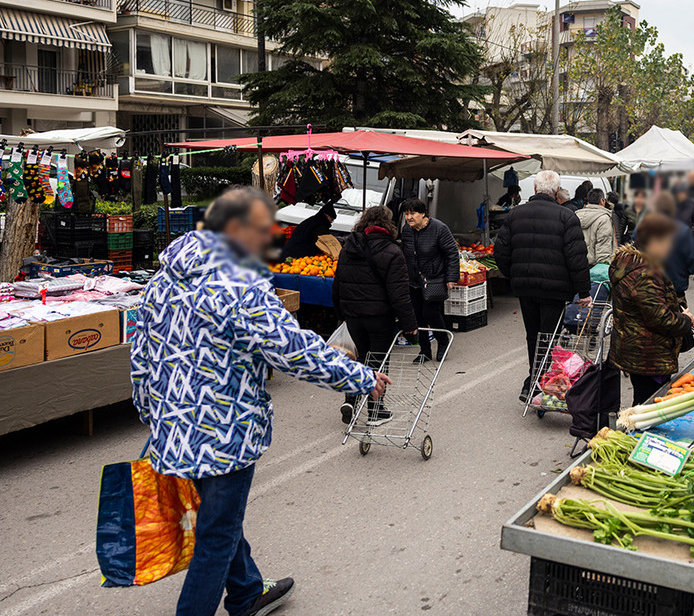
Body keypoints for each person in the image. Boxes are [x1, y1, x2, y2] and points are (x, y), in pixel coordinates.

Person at [131, 187, 388, 616]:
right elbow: (292, 349)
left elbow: (140, 353)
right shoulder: (239, 285)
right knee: (216, 534)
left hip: (172, 425)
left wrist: (151, 413)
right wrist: (360, 377)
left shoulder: (163, 280)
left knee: (219, 518)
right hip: (224, 431)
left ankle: (248, 591)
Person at [494, 170, 592, 402]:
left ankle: (535, 380)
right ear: (557, 192)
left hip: (525, 287)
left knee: (533, 335)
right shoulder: (567, 216)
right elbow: (577, 257)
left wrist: (513, 275)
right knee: (548, 336)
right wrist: (584, 291)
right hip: (555, 290)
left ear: (536, 190)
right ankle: (537, 382)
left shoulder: (515, 215)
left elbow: (501, 251)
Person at [332, 205, 418, 426]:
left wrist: (341, 313)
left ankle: (350, 400)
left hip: (353, 316)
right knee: (378, 362)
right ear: (387, 224)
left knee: (358, 359)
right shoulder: (392, 251)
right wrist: (410, 326)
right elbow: (399, 294)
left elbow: (338, 284)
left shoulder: (348, 246)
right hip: (379, 317)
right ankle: (376, 411)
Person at [608, 213, 694, 405]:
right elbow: (660, 319)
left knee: (642, 399)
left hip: (635, 348)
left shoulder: (627, 262)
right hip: (648, 354)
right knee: (648, 403)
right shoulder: (645, 273)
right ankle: (636, 434)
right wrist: (686, 320)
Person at [399, 199, 459, 364]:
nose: (409, 217)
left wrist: (451, 278)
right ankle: (424, 351)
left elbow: (452, 253)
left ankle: (442, 341)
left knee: (430, 312)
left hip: (435, 279)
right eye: (406, 214)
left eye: (412, 213)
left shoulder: (439, 228)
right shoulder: (406, 230)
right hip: (413, 279)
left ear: (423, 213)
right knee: (418, 316)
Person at [650, 191, 694, 298]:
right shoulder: (683, 230)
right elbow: (692, 256)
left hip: (651, 287)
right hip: (676, 285)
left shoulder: (644, 228)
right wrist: (687, 273)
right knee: (679, 313)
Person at [577, 188, 617, 267]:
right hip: (595, 267)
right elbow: (604, 248)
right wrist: (604, 268)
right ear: (602, 201)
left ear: (588, 201)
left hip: (578, 263)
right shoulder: (604, 219)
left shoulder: (576, 216)